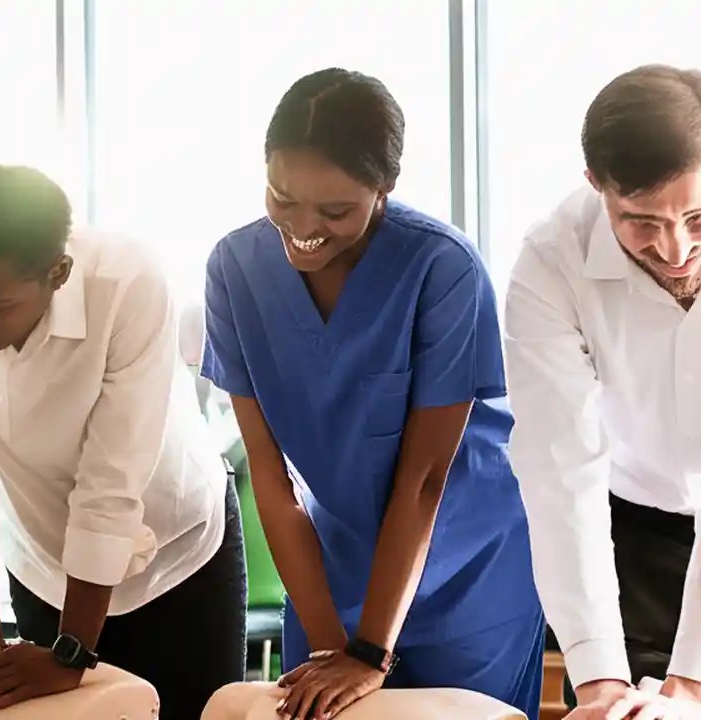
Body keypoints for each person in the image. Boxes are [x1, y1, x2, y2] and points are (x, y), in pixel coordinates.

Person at [201, 68, 544, 720]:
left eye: (335, 211)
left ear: (384, 188)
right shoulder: (234, 271)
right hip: (332, 572)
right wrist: (335, 646)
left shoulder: (442, 268)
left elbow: (424, 479)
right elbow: (271, 479)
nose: (303, 228)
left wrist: (372, 652)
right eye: (282, 197)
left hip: (468, 566)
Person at [0, 164, 246, 720]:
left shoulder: (126, 283)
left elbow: (109, 485)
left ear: (57, 273)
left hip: (176, 552)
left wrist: (71, 653)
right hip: (46, 558)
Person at [504, 64, 701, 720]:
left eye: (698, 217)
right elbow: (560, 469)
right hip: (635, 533)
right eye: (641, 220)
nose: (675, 249)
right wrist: (600, 683)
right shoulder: (551, 260)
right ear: (596, 185)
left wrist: (692, 686)